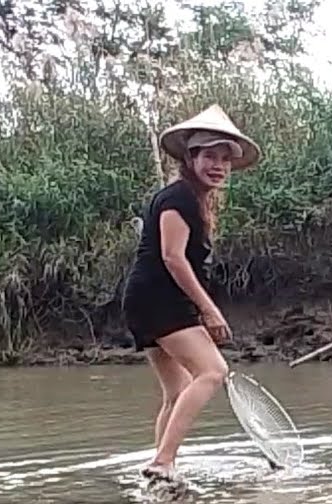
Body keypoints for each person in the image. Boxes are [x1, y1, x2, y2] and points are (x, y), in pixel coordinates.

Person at [121, 105, 261, 482]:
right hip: (158, 300)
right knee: (213, 371)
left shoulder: (190, 198)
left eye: (225, 159)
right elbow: (173, 257)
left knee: (178, 388)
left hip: (148, 299)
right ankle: (163, 462)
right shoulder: (178, 197)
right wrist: (209, 310)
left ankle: (161, 468)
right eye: (210, 156)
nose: (218, 165)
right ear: (190, 157)